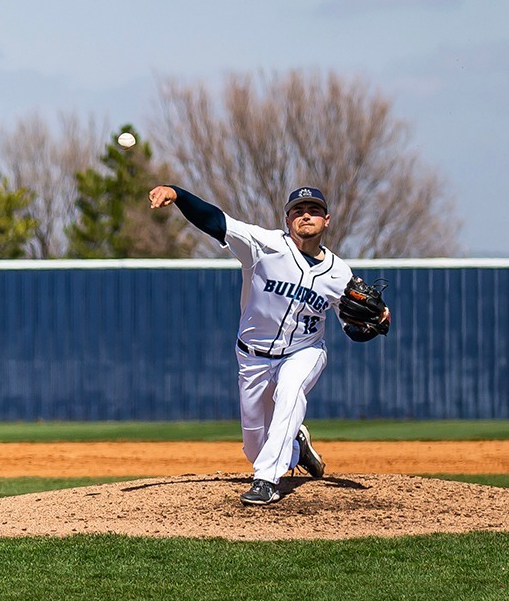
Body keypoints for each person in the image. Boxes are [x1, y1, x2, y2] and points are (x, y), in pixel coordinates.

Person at [149, 184, 390, 505]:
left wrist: (376, 323)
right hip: (252, 358)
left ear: (327, 220)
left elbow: (353, 328)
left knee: (290, 391)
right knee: (254, 448)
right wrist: (178, 194)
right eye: (298, 211)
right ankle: (296, 447)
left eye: (314, 210)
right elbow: (216, 221)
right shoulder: (264, 245)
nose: (306, 215)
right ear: (287, 219)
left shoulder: (339, 273)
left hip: (304, 352)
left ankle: (266, 481)